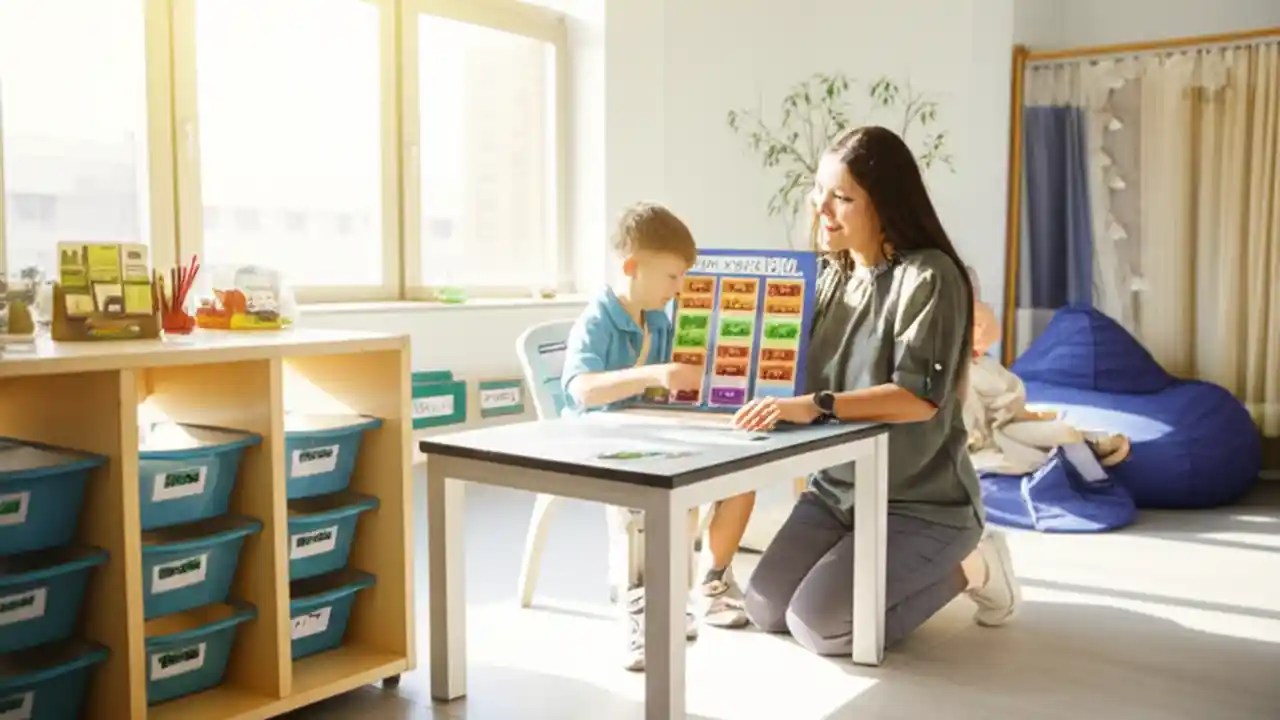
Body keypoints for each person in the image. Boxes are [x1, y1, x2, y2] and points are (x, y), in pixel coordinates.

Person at [732, 126, 1020, 657]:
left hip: (920, 502)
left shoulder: (929, 276)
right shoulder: (829, 276)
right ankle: (858, 561)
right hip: (837, 491)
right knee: (764, 607)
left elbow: (918, 398)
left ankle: (974, 565)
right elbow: (773, 361)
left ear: (885, 205)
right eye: (819, 191)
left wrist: (816, 405)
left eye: (842, 198)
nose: (823, 209)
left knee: (820, 627)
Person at [561, 201, 758, 671]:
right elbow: (581, 389)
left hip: (655, 435)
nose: (680, 288)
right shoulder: (597, 319)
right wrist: (654, 374)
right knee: (648, 505)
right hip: (604, 444)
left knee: (740, 475)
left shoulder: (659, 319)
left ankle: (707, 580)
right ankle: (640, 604)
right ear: (633, 267)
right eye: (672, 277)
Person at [962, 279, 1130, 475]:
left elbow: (1009, 406)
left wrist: (1031, 416)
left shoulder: (984, 367)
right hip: (980, 441)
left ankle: (1086, 453)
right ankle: (1081, 456)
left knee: (1062, 433)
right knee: (1050, 440)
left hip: (1004, 428)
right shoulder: (954, 372)